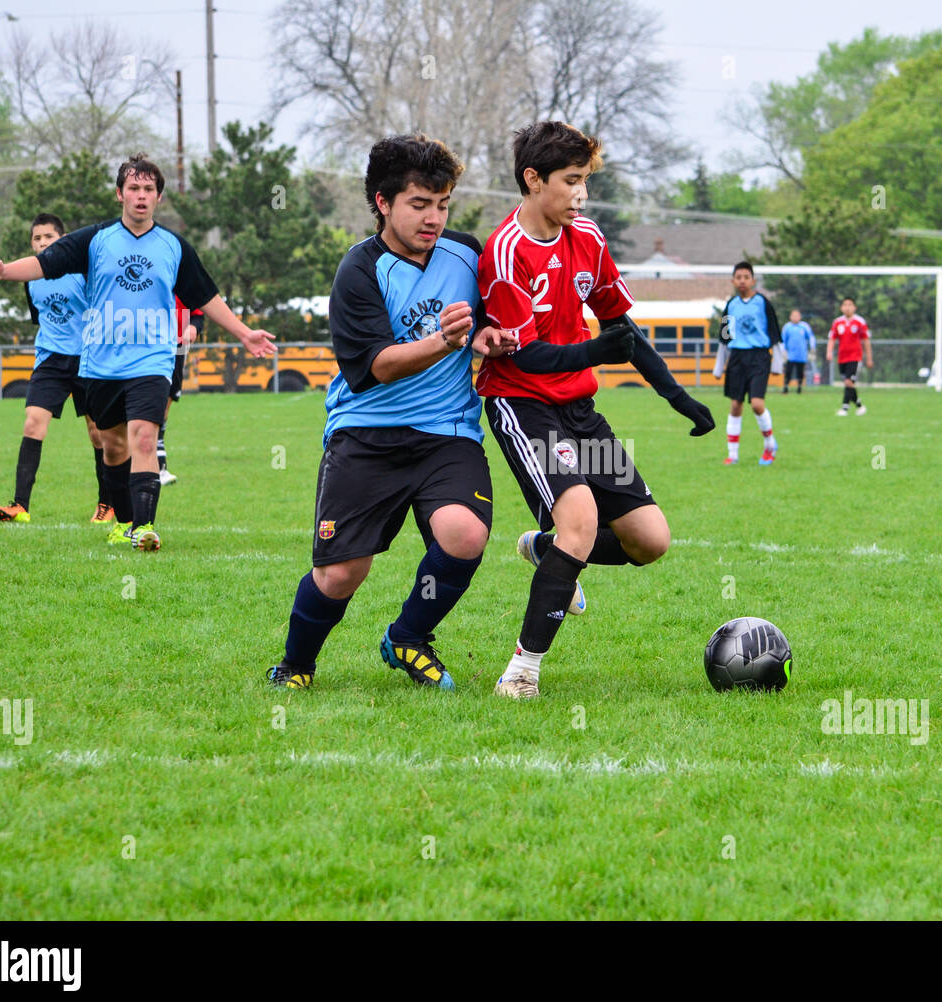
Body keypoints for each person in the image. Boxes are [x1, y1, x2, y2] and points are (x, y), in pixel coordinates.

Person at [266, 134, 516, 692]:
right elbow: (376, 366)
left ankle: (407, 636)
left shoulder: (468, 254)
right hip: (366, 433)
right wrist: (446, 341)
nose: (434, 218)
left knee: (464, 534)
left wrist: (486, 338)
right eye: (419, 204)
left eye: (443, 204)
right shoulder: (359, 270)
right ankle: (297, 665)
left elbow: (486, 321)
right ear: (383, 202)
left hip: (447, 433)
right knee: (341, 573)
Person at [477, 120, 714, 700]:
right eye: (571, 181)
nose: (581, 193)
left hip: (580, 409)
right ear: (533, 180)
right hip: (524, 404)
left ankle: (546, 549)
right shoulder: (507, 253)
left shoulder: (587, 237)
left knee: (649, 541)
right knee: (580, 519)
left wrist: (678, 397)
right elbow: (528, 357)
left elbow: (621, 328)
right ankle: (522, 672)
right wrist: (594, 351)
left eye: (585, 181)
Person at [0, 152, 276, 551]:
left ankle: (144, 527)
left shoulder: (174, 247)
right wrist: (4, 272)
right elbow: (46, 264)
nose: (141, 196)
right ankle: (123, 520)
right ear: (120, 194)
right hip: (102, 364)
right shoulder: (94, 239)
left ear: (158, 198)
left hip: (152, 360)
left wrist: (244, 333)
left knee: (143, 439)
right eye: (134, 188)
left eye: (149, 189)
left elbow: (206, 296)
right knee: (114, 447)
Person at [0, 213, 114, 524]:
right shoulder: (30, 279)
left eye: (49, 237)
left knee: (98, 433)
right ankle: (20, 505)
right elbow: (41, 318)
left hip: (88, 357)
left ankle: (107, 503)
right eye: (37, 238)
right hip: (50, 361)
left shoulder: (82, 271)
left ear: (64, 240)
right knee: (33, 422)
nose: (43, 242)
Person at [718, 262, 781, 465]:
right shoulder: (731, 305)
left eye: (746, 277)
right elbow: (724, 337)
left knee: (756, 403)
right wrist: (719, 366)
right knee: (735, 405)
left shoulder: (763, 303)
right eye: (739, 277)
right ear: (733, 281)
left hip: (759, 357)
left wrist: (778, 363)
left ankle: (770, 444)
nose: (742, 280)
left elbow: (774, 333)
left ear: (753, 280)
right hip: (737, 357)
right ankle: (733, 454)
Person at [156, 296, 203, 486]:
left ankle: (158, 468)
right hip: (146, 347)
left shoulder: (183, 279)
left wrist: (193, 327)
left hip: (176, 349)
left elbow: (198, 315)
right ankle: (154, 467)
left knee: (163, 408)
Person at [828, 297, 872, 416]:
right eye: (845, 305)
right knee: (848, 383)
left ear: (854, 307)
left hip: (855, 357)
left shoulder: (860, 322)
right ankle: (859, 406)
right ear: (841, 308)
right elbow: (832, 338)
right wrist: (829, 352)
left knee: (848, 382)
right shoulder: (837, 322)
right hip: (842, 357)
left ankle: (844, 408)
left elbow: (866, 340)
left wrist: (869, 358)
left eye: (850, 305)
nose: (847, 307)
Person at [781, 308, 816, 394]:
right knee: (788, 371)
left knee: (800, 372)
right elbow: (783, 340)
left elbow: (811, 337)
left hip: (801, 355)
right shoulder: (787, 327)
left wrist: (812, 348)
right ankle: (786, 387)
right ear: (790, 317)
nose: (795, 317)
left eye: (797, 316)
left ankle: (799, 387)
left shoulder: (804, 326)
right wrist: (783, 352)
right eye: (793, 316)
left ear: (800, 317)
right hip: (790, 355)